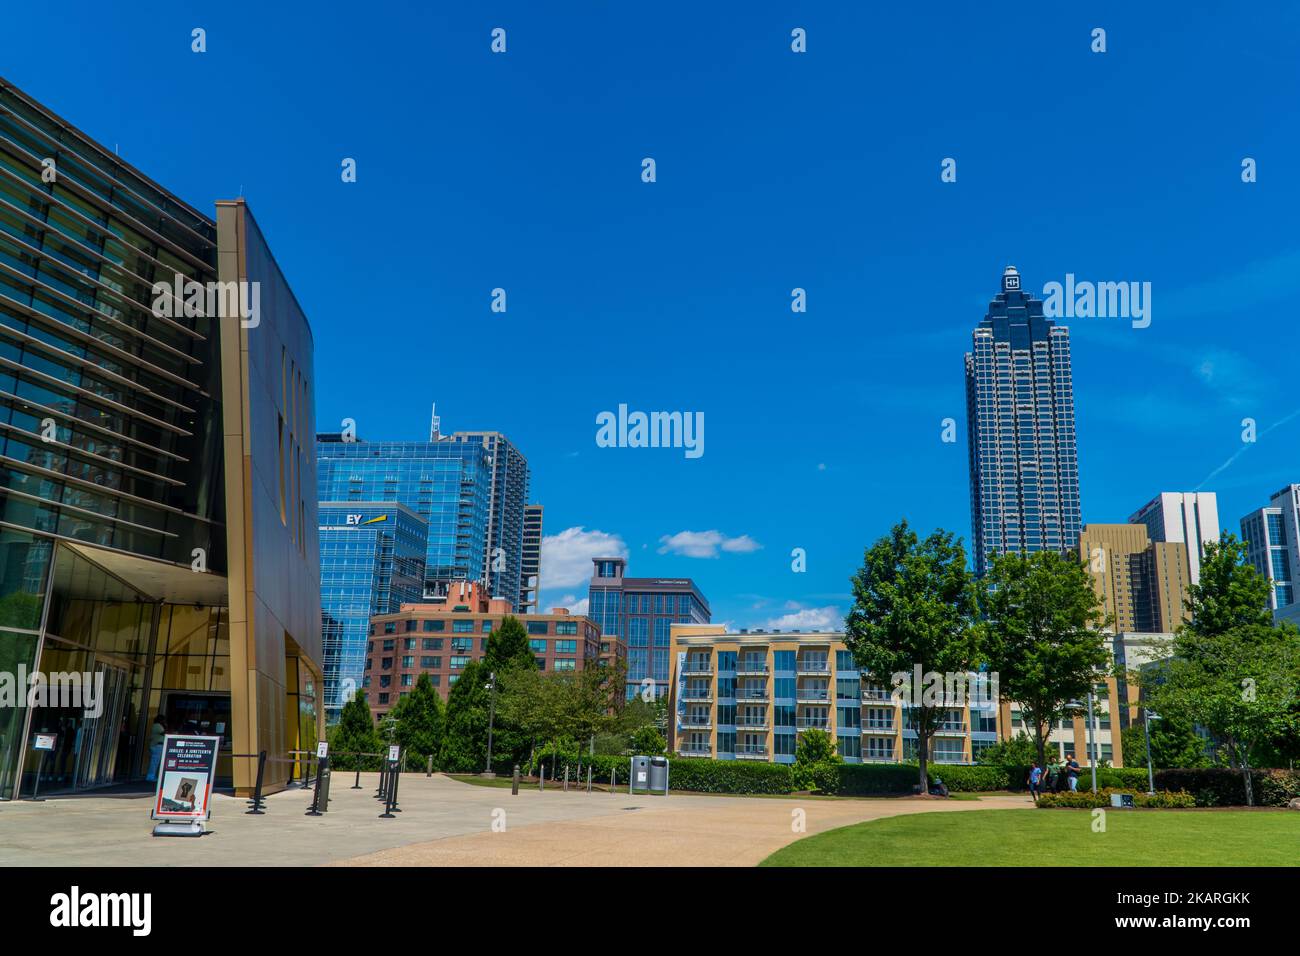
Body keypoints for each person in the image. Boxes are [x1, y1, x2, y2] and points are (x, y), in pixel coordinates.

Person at [145, 714, 166, 783]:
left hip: (156, 745)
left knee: (155, 762)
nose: (164, 721)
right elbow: (164, 732)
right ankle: (150, 776)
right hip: (157, 745)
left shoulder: (156, 725)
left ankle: (152, 776)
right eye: (163, 720)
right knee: (154, 762)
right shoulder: (157, 725)